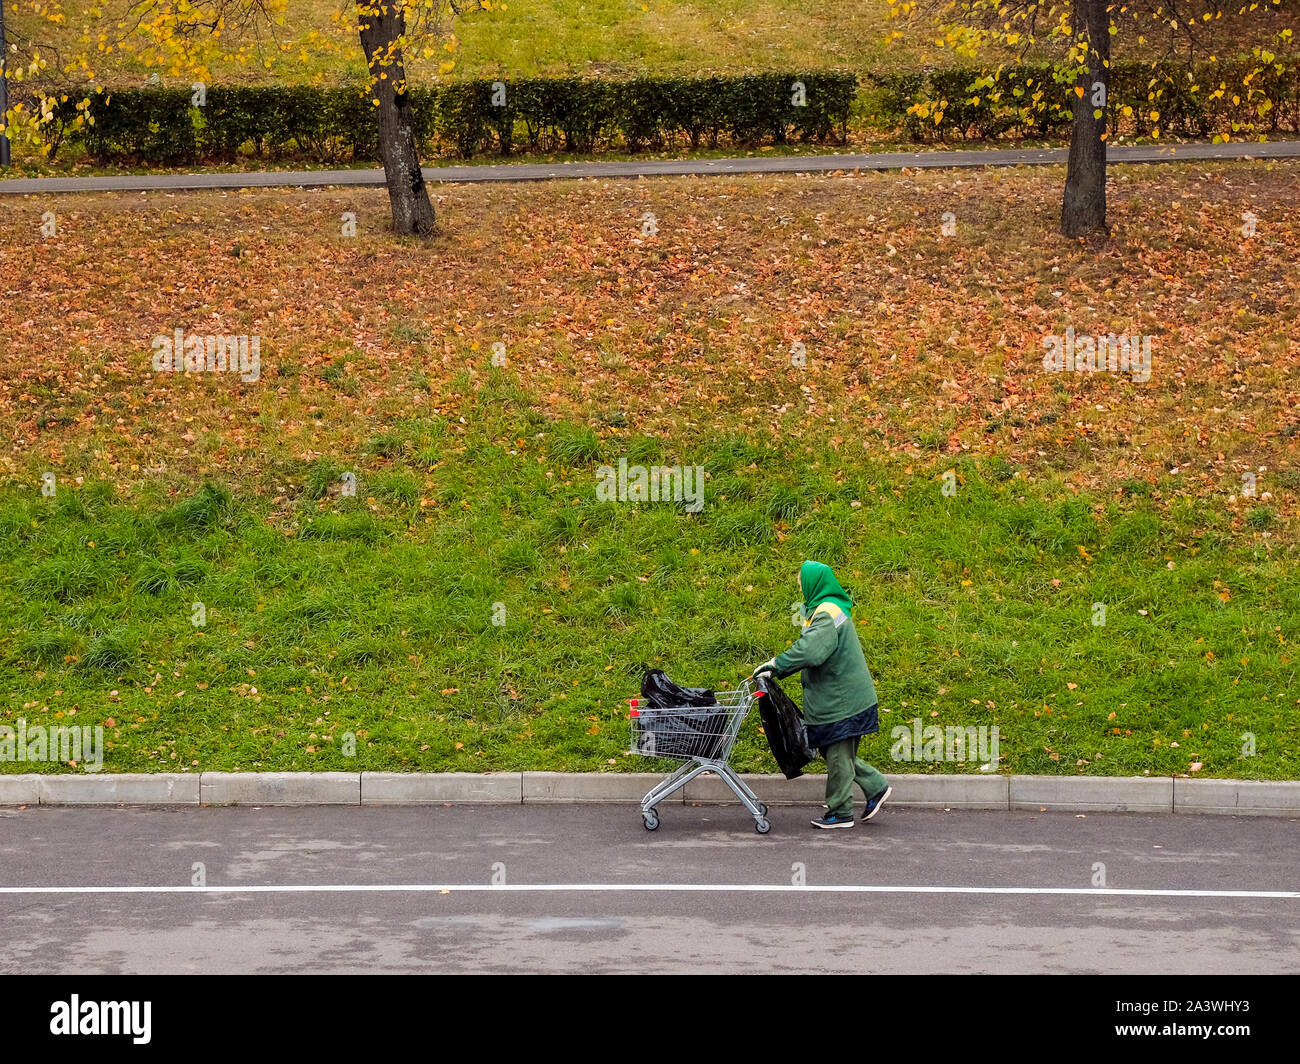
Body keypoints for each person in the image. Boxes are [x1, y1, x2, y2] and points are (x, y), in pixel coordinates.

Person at [752, 560, 891, 829]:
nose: (799, 584)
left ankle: (840, 813)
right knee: (834, 749)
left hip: (842, 701)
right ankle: (875, 786)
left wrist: (777, 665)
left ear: (814, 582)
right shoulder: (826, 607)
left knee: (837, 753)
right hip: (844, 697)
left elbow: (813, 650)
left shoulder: (827, 612)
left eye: (801, 580)